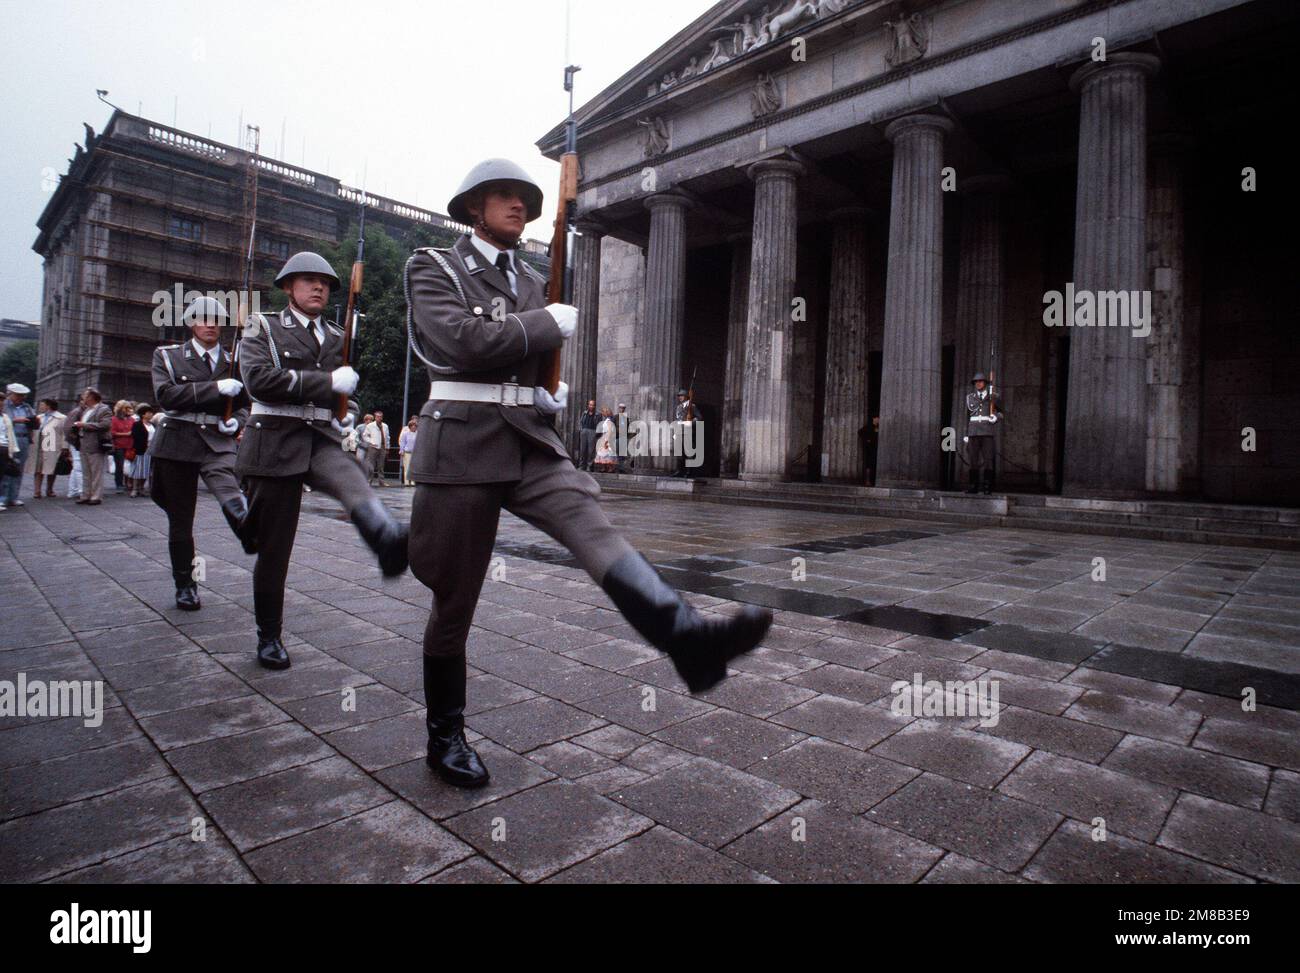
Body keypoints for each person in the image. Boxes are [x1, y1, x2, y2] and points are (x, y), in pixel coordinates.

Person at [404, 157, 771, 789]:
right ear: (472, 208)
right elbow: (461, 341)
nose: (520, 206)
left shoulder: (529, 277)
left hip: (526, 441)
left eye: (525, 198)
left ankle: (686, 637)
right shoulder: (432, 267)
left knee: (593, 524)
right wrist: (544, 323)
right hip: (462, 444)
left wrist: (545, 392)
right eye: (504, 197)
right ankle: (446, 734)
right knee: (454, 600)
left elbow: (524, 358)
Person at [237, 251, 409, 670]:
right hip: (275, 440)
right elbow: (258, 379)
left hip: (319, 437)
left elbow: (337, 393)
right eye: (309, 280)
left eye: (326, 282)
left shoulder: (336, 336)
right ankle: (269, 635)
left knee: (353, 480)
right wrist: (325, 382)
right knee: (274, 549)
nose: (319, 287)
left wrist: (344, 407)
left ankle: (384, 535)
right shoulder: (264, 327)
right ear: (287, 287)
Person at [150, 297, 256, 611]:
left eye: (215, 319)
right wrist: (214, 389)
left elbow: (248, 403)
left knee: (229, 489)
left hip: (217, 440)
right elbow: (165, 395)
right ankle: (186, 585)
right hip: (177, 442)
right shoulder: (167, 356)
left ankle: (246, 529)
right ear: (191, 323)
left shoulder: (234, 360)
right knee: (181, 523)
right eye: (202, 318)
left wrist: (237, 421)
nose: (210, 324)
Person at [72, 388, 112, 505]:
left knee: (96, 472)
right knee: (86, 471)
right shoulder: (86, 410)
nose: (83, 398)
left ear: (91, 397)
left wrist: (84, 425)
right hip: (84, 443)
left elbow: (105, 424)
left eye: (85, 396)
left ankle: (96, 496)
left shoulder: (104, 409)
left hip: (96, 443)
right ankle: (85, 495)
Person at [964, 372, 1001, 495]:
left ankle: (987, 486)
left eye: (980, 381)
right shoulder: (970, 398)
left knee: (988, 460)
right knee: (973, 460)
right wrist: (966, 434)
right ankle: (973, 486)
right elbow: (967, 417)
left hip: (987, 432)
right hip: (973, 432)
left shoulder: (993, 397)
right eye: (976, 382)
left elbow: (1001, 412)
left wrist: (995, 417)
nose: (978, 383)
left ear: (985, 383)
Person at [2, 383, 36, 508]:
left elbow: (33, 420)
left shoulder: (27, 407)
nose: (21, 398)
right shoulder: (4, 406)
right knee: (6, 467)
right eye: (18, 395)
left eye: (22, 395)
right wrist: (15, 420)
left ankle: (14, 497)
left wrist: (34, 421)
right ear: (10, 394)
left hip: (23, 438)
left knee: (18, 469)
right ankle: (3, 497)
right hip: (8, 438)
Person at [32, 399, 67, 499]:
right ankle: (37, 490)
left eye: (42, 405)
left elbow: (64, 433)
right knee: (38, 468)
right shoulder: (39, 417)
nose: (40, 407)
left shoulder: (61, 418)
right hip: (39, 444)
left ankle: (49, 489)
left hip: (53, 444)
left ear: (49, 406)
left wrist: (65, 446)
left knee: (51, 469)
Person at [672, 388, 702, 478]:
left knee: (689, 452)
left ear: (686, 397)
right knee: (679, 452)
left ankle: (689, 471)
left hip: (688, 431)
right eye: (679, 396)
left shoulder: (692, 406)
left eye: (682, 396)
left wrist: (690, 422)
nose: (680, 397)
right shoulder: (678, 407)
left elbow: (699, 417)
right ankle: (680, 470)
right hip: (679, 431)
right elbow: (678, 419)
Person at [109, 400, 135, 494]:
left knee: (130, 465)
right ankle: (119, 484)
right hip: (119, 445)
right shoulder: (114, 419)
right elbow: (112, 433)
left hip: (130, 445)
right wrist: (126, 434)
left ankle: (128, 483)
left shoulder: (131, 419)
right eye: (125, 408)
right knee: (119, 465)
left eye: (129, 408)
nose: (128, 410)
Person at [129, 404, 155, 497]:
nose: (151, 414)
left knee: (146, 470)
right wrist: (145, 444)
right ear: (143, 414)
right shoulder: (137, 424)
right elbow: (135, 436)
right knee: (138, 469)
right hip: (141, 449)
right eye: (149, 413)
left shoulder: (153, 425)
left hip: (151, 450)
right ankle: (135, 489)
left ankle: (142, 487)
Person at [363, 410, 390, 486]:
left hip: (382, 447)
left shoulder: (385, 426)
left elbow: (387, 437)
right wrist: (371, 442)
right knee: (371, 465)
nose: (379, 418)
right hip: (373, 447)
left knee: (381, 465)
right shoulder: (370, 425)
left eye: (381, 417)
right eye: (378, 417)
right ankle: (369, 481)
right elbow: (365, 435)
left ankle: (381, 481)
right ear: (375, 417)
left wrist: (387, 447)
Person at [594, 407, 617, 472]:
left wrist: (606, 440)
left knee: (607, 453)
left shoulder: (609, 421)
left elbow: (609, 431)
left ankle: (610, 468)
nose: (602, 413)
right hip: (604, 436)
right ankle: (604, 468)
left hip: (607, 437)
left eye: (603, 412)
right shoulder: (607, 420)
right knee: (603, 453)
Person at [577, 400, 599, 471]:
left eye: (592, 405)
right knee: (582, 450)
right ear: (588, 405)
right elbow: (580, 422)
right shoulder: (584, 413)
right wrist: (581, 430)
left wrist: (596, 433)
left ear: (595, 406)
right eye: (590, 405)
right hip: (584, 431)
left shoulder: (597, 414)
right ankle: (581, 466)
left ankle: (589, 466)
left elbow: (599, 425)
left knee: (591, 451)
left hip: (592, 431)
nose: (591, 406)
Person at [615, 402, 636, 472]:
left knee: (622, 454)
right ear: (619, 408)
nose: (622, 409)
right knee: (617, 453)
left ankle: (621, 468)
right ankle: (618, 467)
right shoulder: (615, 417)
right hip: (617, 437)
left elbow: (628, 428)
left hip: (623, 438)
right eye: (621, 408)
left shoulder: (626, 418)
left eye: (623, 408)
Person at [399, 417, 418, 486]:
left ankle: (413, 481)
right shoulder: (405, 433)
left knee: (414, 468)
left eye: (415, 426)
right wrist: (402, 451)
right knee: (407, 467)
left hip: (415, 453)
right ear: (409, 427)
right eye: (412, 426)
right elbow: (402, 442)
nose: (413, 427)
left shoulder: (418, 434)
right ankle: (406, 482)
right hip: (407, 452)